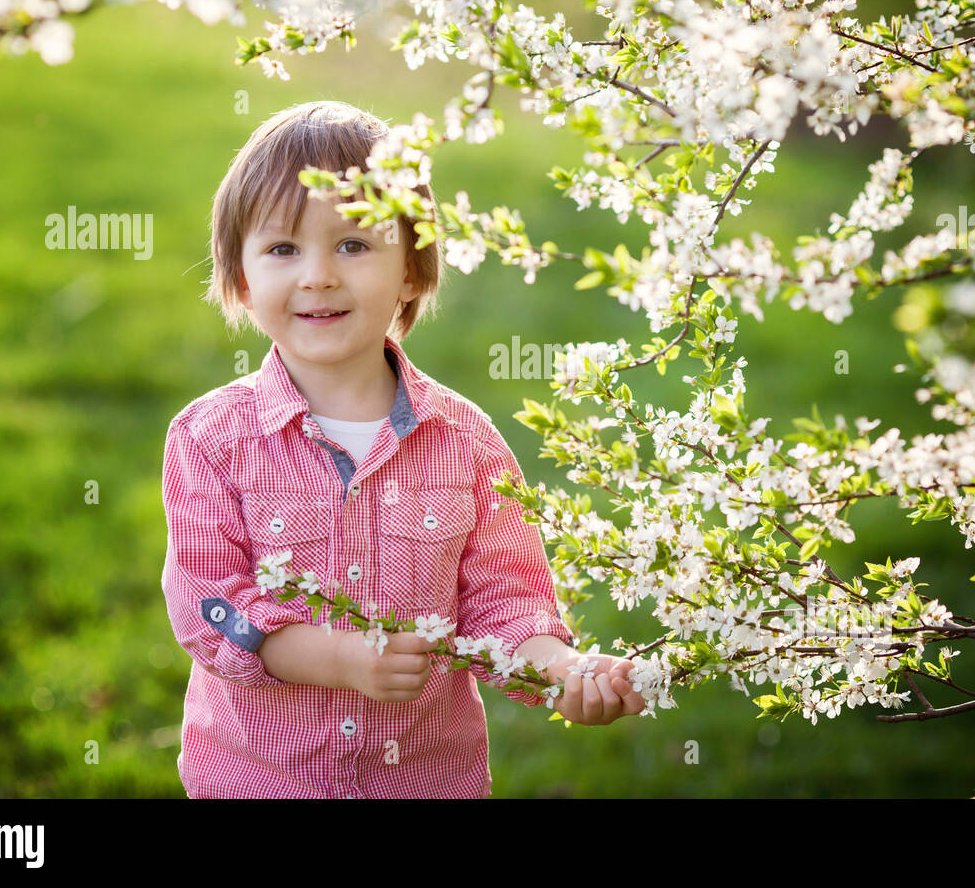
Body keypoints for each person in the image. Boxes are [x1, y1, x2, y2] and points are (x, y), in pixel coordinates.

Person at [160, 100, 645, 798]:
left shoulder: (467, 444)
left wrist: (565, 672)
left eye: (354, 245)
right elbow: (213, 609)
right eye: (282, 249)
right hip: (259, 780)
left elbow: (505, 604)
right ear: (241, 278)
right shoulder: (209, 441)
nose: (318, 276)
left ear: (412, 272)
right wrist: (338, 658)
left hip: (421, 780)